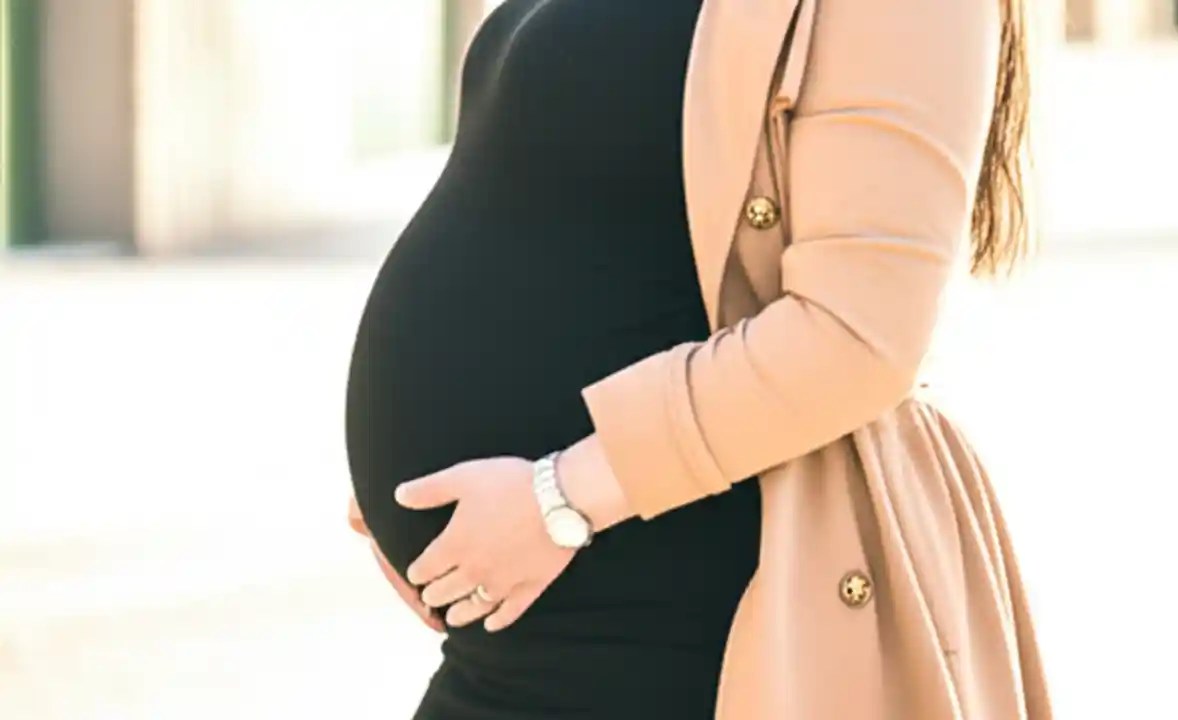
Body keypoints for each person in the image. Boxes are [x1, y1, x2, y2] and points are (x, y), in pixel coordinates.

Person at [345, 0, 1051, 718]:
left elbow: (859, 335)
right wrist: (410, 491)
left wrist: (559, 499)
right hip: (536, 626)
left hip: (676, 618)